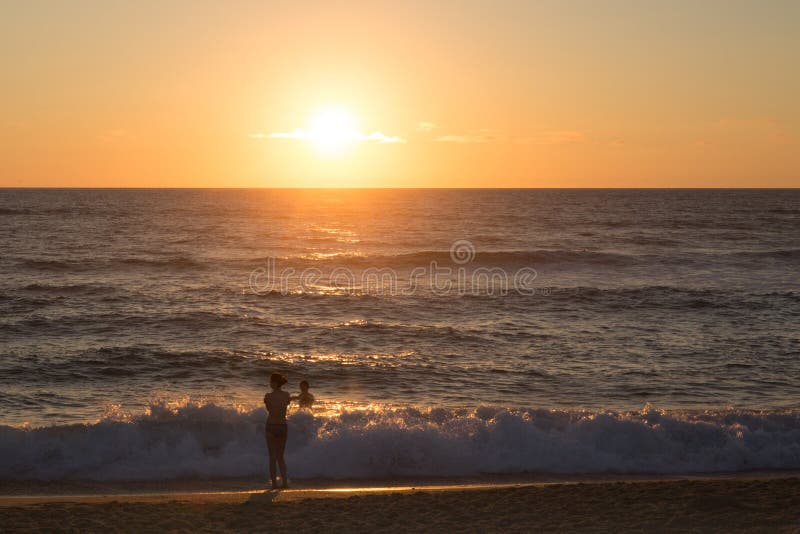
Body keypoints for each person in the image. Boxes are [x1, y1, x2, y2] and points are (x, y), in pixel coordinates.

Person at [264, 372, 291, 489]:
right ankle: (284, 482)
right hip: (282, 426)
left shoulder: (268, 397)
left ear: (274, 383)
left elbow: (269, 410)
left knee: (272, 457)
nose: (270, 383)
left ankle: (274, 484)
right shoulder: (286, 395)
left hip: (271, 425)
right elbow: (286, 405)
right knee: (280, 456)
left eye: (271, 381)